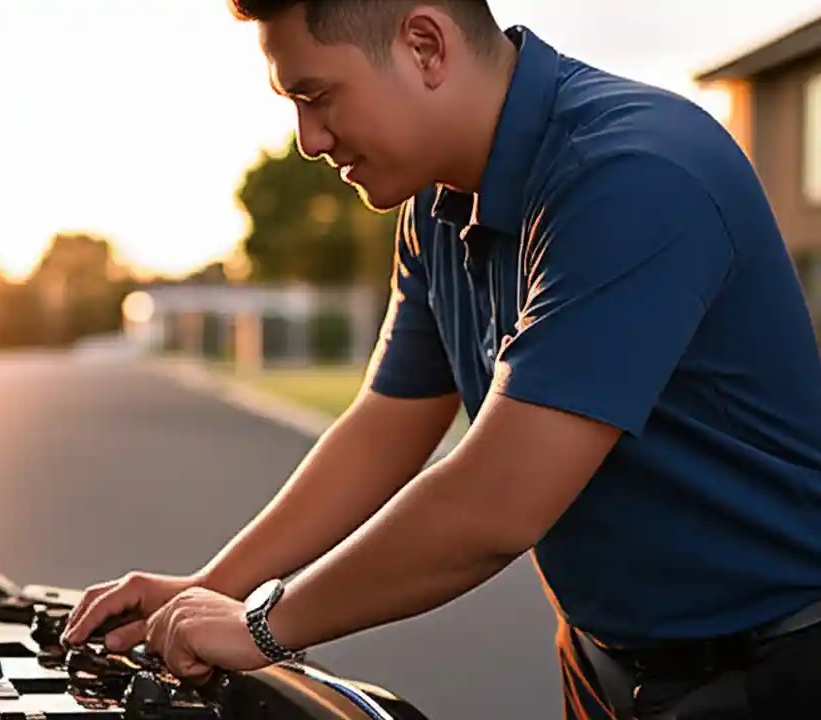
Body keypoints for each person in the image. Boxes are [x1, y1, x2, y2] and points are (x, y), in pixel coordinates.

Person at [62, 1, 821, 717]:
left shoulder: (634, 172)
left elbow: (496, 502)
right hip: (608, 667)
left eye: (318, 95)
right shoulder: (434, 204)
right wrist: (208, 588)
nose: (309, 139)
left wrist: (263, 626)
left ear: (425, 46)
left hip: (777, 669)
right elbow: (385, 427)